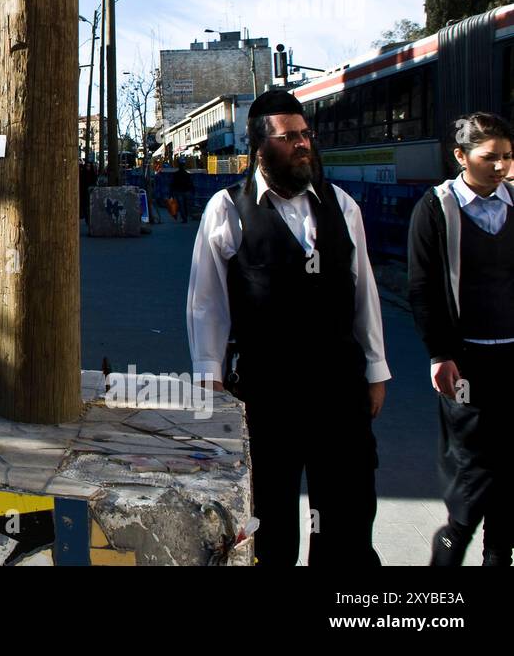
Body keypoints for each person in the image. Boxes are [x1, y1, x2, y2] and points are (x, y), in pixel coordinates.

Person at [186, 89, 389, 566]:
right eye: (289, 137)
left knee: (346, 517)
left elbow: (364, 292)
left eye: (305, 135)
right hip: (266, 392)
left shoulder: (342, 205)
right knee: (269, 522)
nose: (302, 145)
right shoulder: (226, 209)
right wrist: (209, 377)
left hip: (340, 390)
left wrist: (376, 367)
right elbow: (206, 302)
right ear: (260, 146)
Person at [407, 112, 514, 566]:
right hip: (466, 362)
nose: (501, 166)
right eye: (490, 157)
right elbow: (422, 287)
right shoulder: (436, 208)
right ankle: (450, 548)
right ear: (461, 156)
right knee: (472, 472)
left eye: (508, 157)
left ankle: (498, 557)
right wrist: (440, 353)